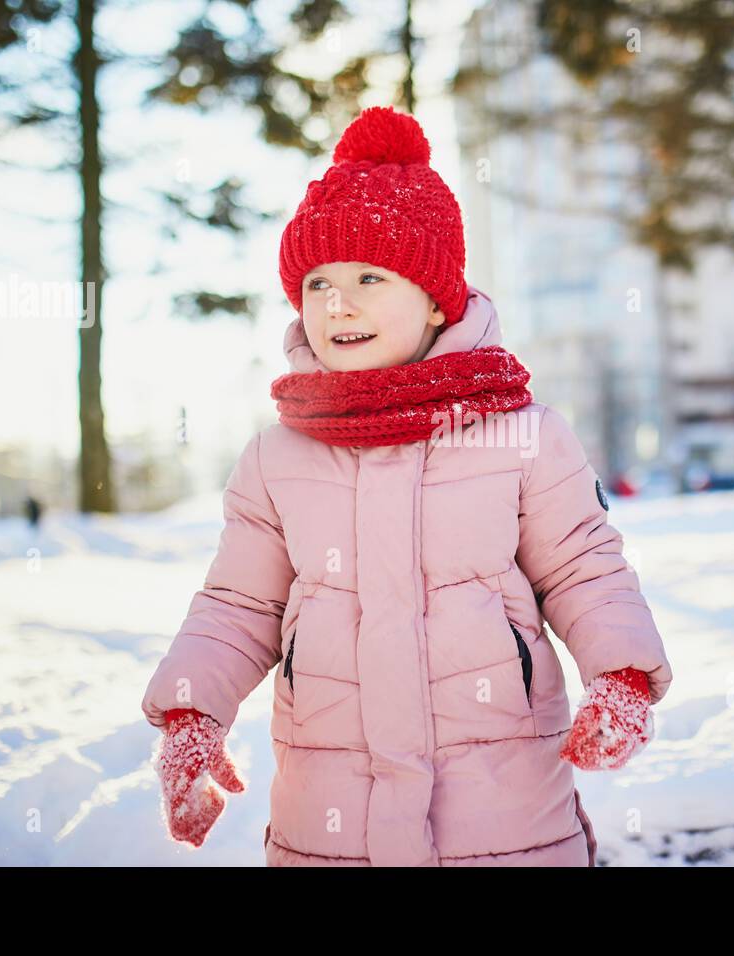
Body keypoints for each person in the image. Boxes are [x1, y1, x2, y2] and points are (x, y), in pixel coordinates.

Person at [140, 107, 673, 867]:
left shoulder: (522, 434)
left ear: (434, 298)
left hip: (503, 817)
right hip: (331, 823)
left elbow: (585, 568)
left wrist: (621, 673)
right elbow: (239, 604)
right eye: (316, 282)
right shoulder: (277, 456)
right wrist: (192, 711)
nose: (337, 303)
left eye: (367, 277)